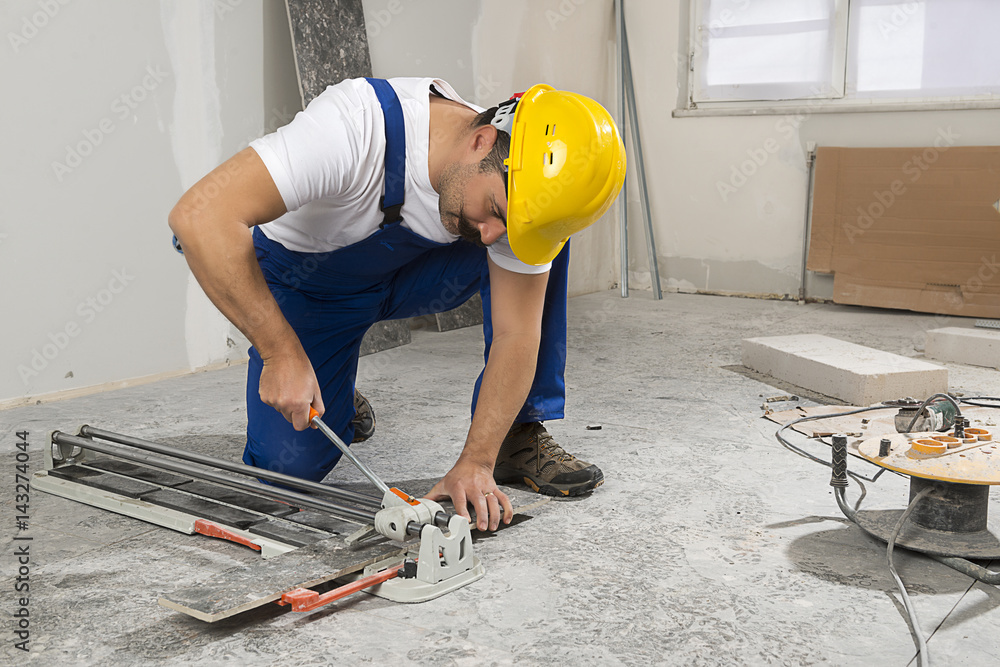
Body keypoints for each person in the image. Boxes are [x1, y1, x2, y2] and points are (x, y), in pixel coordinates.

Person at [168, 77, 625, 533]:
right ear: (481, 140)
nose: (490, 236)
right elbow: (199, 217)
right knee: (287, 474)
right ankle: (329, 382)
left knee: (540, 249)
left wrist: (476, 462)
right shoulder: (355, 128)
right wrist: (279, 353)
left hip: (412, 275)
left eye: (503, 225)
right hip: (310, 284)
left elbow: (517, 333)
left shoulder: (508, 196)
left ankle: (515, 435)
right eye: (495, 210)